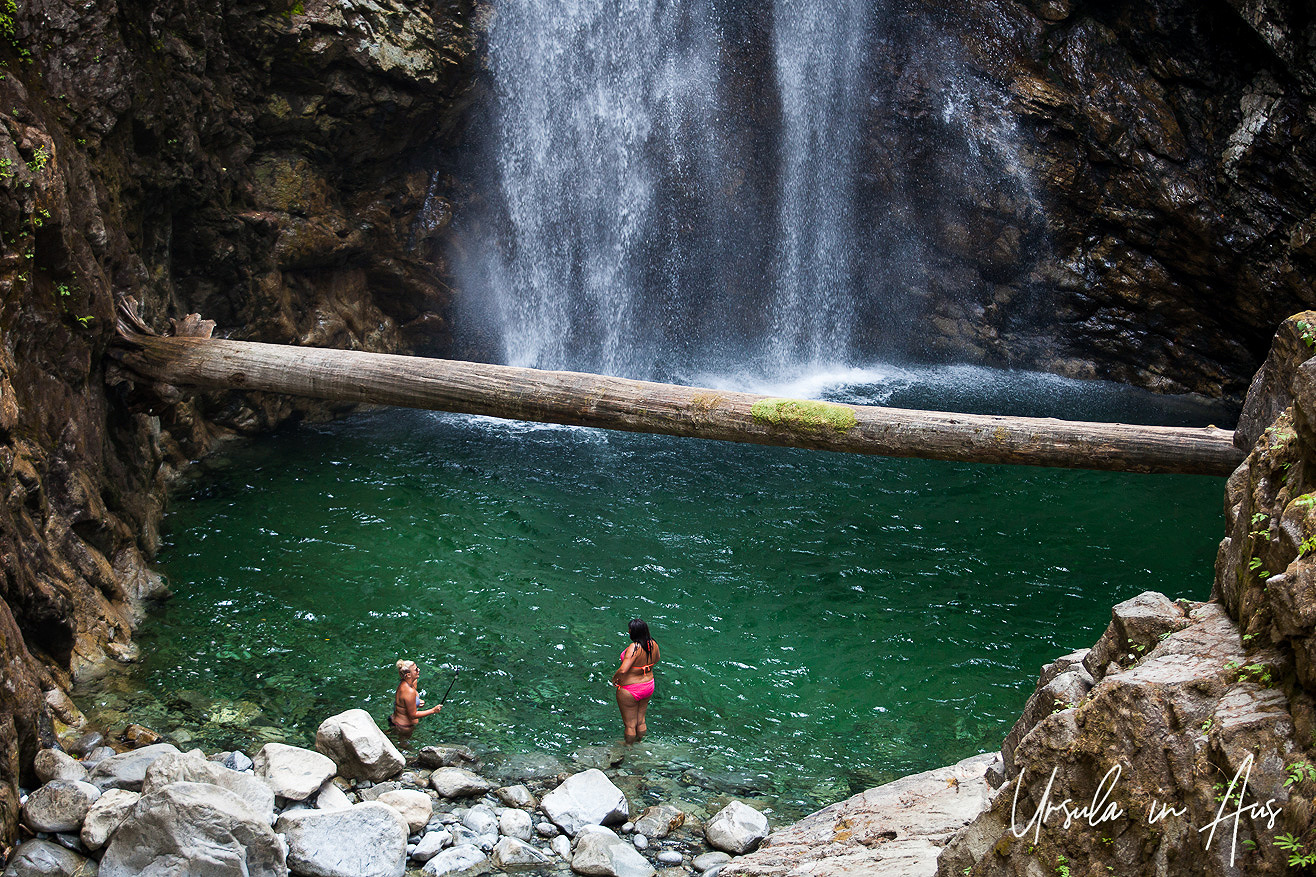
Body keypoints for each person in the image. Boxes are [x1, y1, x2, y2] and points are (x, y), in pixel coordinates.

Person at [612, 619, 659, 743]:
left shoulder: (634, 647)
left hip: (630, 688)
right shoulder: (653, 644)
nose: (628, 631)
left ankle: (628, 747)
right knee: (641, 720)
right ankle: (639, 742)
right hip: (648, 685)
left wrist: (615, 678)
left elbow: (623, 670)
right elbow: (657, 659)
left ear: (634, 632)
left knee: (630, 724)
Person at [390, 659, 441, 739]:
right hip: (403, 727)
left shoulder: (412, 682)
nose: (419, 670)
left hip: (400, 722)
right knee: (403, 744)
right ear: (408, 675)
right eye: (416, 670)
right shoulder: (408, 691)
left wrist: (416, 702)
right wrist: (433, 710)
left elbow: (406, 701)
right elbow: (413, 715)